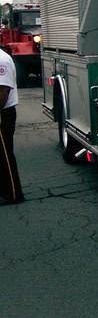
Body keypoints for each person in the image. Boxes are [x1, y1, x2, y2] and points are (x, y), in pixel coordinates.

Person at [0, 47, 23, 205]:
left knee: (5, 155)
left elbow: (3, 91)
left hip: (2, 113)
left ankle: (13, 194)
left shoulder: (2, 60)